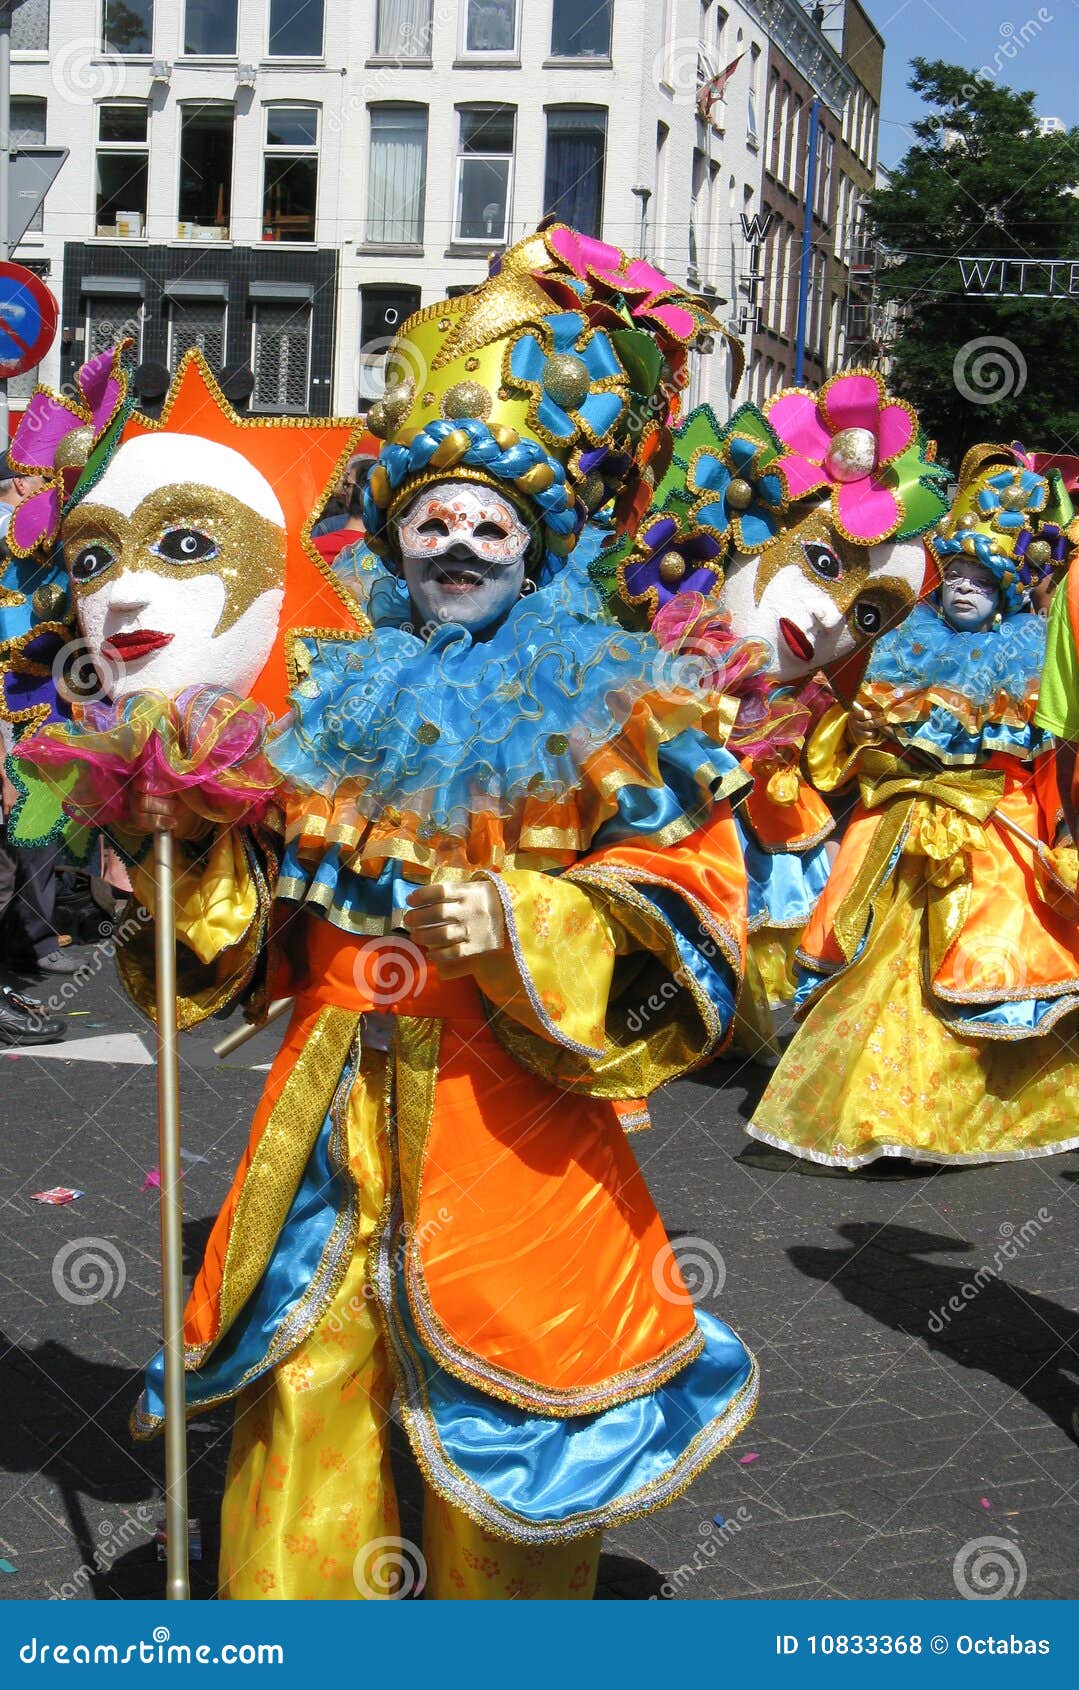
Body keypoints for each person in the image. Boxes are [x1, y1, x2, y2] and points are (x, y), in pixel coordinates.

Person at [23, 227, 760, 1599]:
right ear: (398, 534)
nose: (460, 542)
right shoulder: (316, 698)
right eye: (433, 518)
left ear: (533, 548)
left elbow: (703, 901)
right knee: (303, 1387)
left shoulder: (619, 709)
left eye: (492, 523)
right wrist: (179, 847)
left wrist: (536, 921)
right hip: (321, 1116)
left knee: (509, 1427)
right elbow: (233, 952)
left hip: (513, 1132)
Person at [748, 444, 1079, 1169]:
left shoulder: (1026, 662)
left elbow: (1039, 758)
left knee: (972, 965)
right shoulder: (902, 649)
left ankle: (951, 1109)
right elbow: (855, 742)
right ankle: (869, 1107)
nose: (962, 590)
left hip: (985, 831)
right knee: (872, 962)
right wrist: (870, 747)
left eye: (980, 580)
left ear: (1009, 592)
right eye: (954, 575)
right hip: (896, 825)